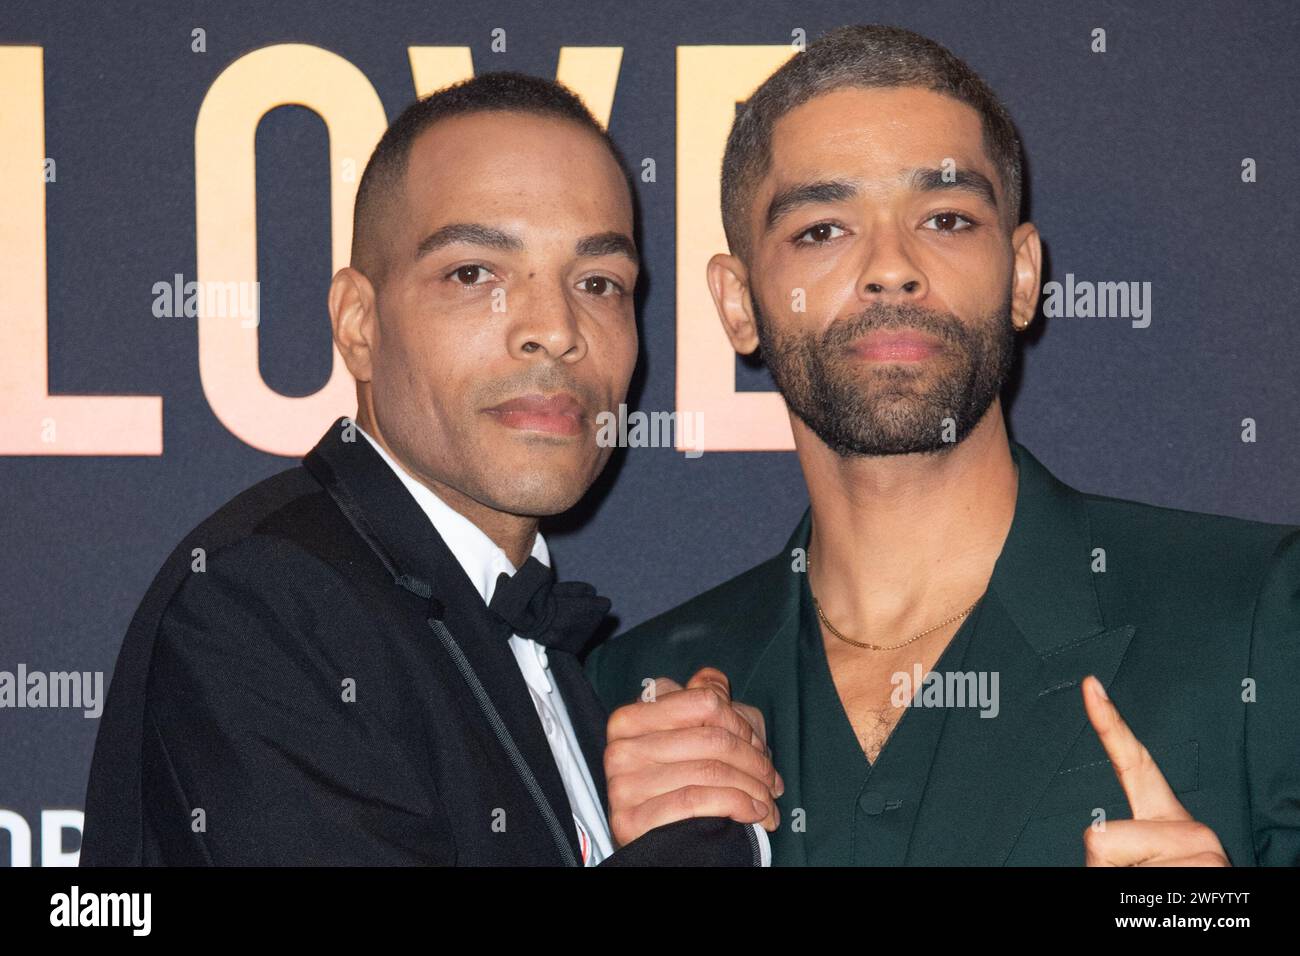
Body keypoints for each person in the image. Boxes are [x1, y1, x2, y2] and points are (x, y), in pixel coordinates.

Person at [586, 25, 1300, 866]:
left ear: (1023, 275)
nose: (892, 266)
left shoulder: (1254, 614)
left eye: (947, 217)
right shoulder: (633, 699)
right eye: (822, 228)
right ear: (738, 303)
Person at [81, 72, 779, 866]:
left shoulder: (536, 646)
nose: (554, 330)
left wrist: (691, 787)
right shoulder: (260, 605)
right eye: (474, 274)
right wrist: (711, 835)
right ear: (358, 324)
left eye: (597, 283)